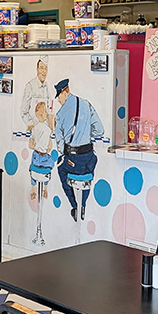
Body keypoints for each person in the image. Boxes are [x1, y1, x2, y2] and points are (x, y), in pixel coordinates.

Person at [54, 78, 104, 221]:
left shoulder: (59, 114)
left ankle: (75, 206)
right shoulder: (86, 104)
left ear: (66, 91)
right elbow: (100, 130)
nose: (58, 101)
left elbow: (60, 145)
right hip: (89, 158)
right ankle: (83, 205)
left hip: (73, 161)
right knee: (88, 173)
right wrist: (86, 134)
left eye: (59, 96)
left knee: (61, 169)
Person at [21, 56, 53, 130]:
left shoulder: (47, 86)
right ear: (37, 70)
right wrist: (32, 125)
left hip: (45, 129)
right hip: (34, 129)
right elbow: (24, 111)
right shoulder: (30, 86)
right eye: (41, 68)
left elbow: (49, 108)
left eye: (46, 68)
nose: (44, 71)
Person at [29, 101, 53, 200]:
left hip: (36, 155)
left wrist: (37, 147)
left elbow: (30, 145)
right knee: (50, 165)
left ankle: (33, 190)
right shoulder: (48, 130)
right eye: (46, 113)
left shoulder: (34, 129)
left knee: (32, 170)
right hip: (44, 156)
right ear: (43, 114)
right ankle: (45, 188)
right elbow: (50, 148)